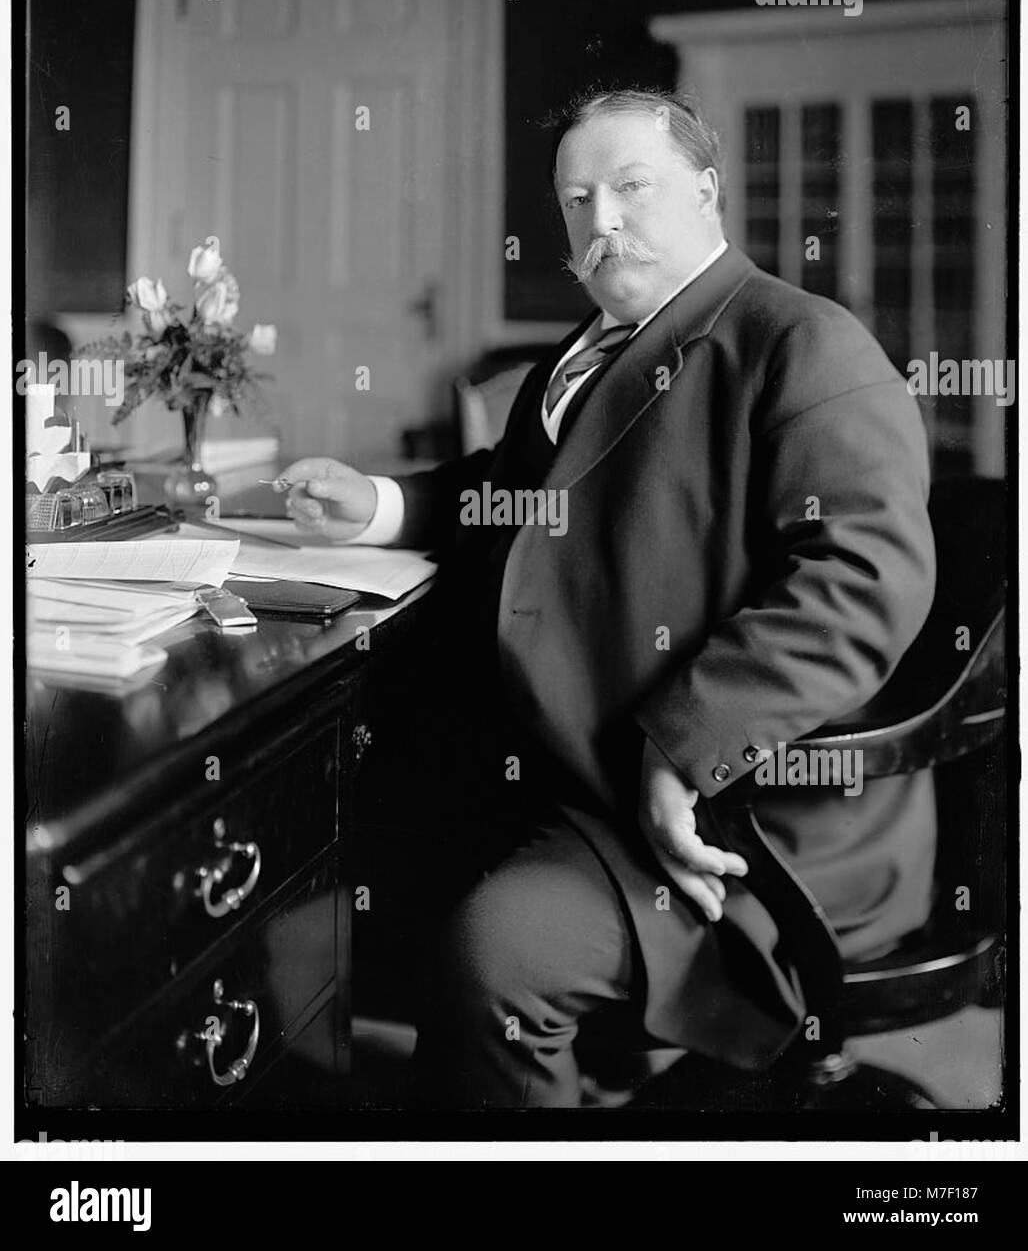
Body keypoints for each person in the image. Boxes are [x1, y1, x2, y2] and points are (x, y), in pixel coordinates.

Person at [277, 88, 937, 1108]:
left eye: (631, 188)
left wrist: (683, 746)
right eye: (576, 201)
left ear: (706, 191)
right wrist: (379, 503)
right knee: (325, 872)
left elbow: (863, 580)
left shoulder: (799, 340)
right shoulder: (588, 348)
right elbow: (509, 492)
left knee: (494, 958)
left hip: (743, 811)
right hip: (575, 764)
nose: (601, 222)